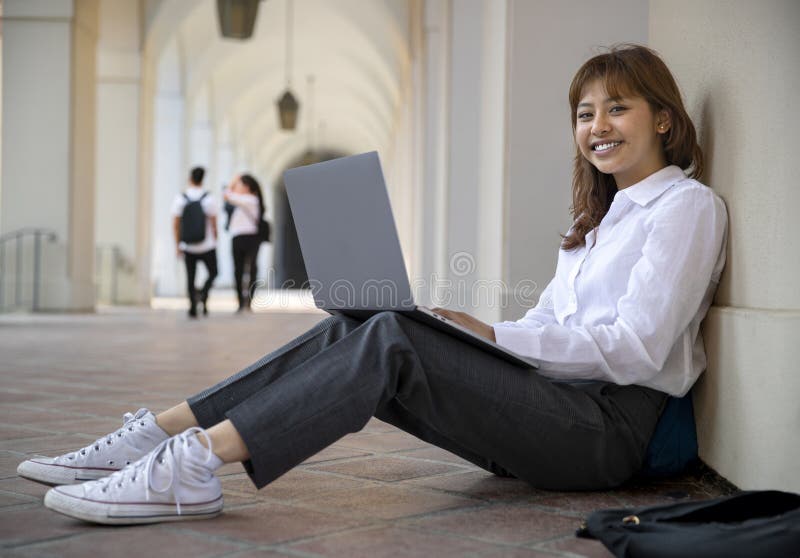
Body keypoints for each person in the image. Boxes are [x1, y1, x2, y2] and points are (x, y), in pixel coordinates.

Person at [17, 44, 727, 525]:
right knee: (366, 321)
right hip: (550, 411)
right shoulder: (593, 221)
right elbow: (550, 319)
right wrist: (467, 333)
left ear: (663, 117)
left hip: (605, 435)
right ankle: (161, 435)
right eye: (584, 113)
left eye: (617, 109)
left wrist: (495, 336)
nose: (597, 127)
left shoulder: (685, 209)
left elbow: (636, 349)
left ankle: (197, 467)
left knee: (391, 338)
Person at [171, 166, 218, 318]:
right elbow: (213, 223)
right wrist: (215, 239)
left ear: (190, 178)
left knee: (190, 278)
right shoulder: (208, 198)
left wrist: (177, 245)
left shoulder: (181, 198)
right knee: (214, 273)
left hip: (188, 245)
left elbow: (176, 224)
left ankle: (192, 308)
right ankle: (203, 294)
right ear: (202, 179)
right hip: (207, 245)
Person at [224, 173, 265, 312]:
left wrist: (233, 181)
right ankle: (242, 301)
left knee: (249, 269)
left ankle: (247, 300)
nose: (237, 187)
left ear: (247, 187)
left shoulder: (251, 199)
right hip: (238, 236)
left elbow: (227, 195)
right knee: (239, 270)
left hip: (250, 237)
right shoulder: (243, 200)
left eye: (240, 184)